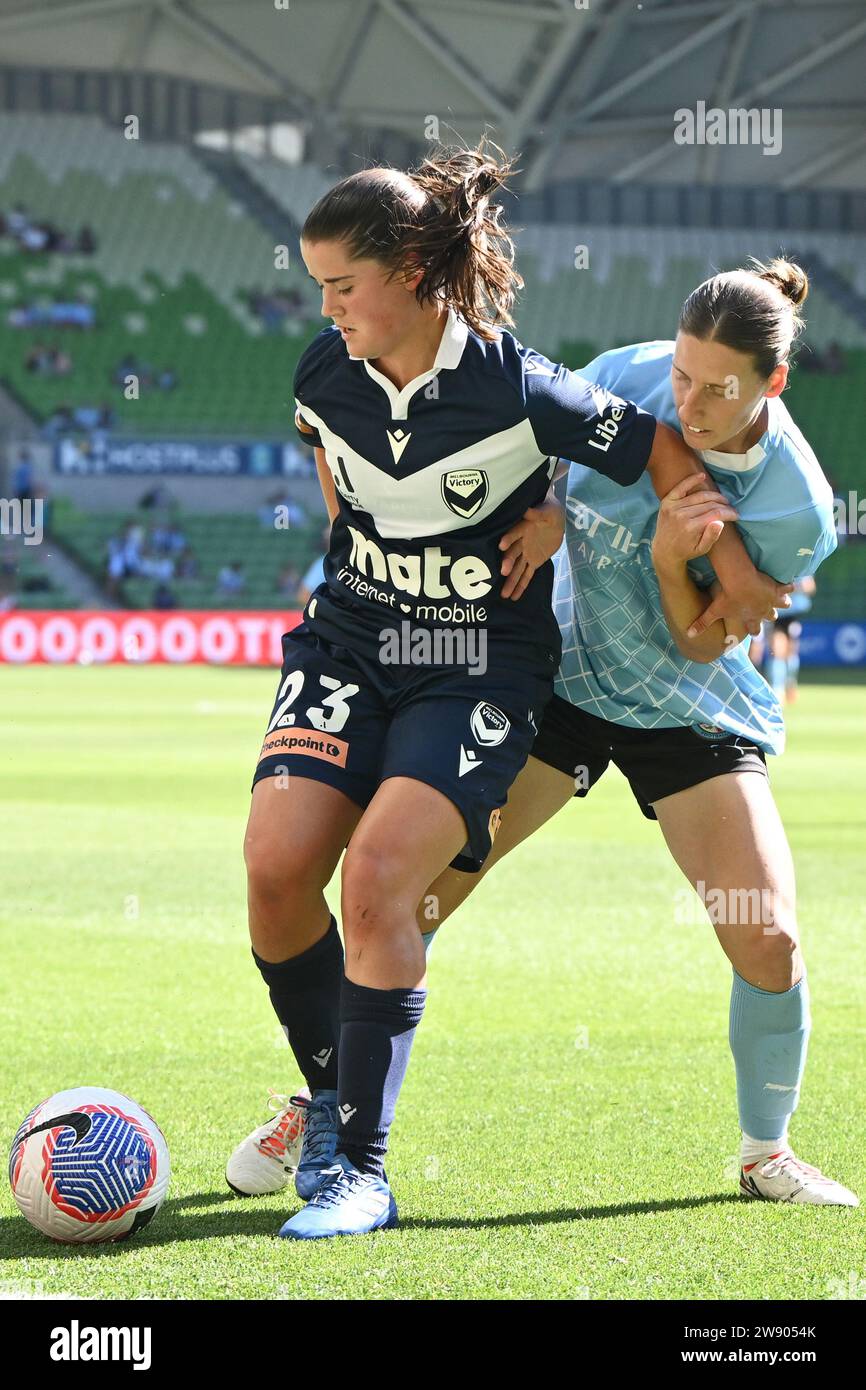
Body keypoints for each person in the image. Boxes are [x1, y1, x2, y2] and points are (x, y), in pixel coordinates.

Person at [228, 142, 791, 1240]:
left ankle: (359, 1172)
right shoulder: (319, 374)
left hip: (478, 657)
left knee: (382, 878)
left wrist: (724, 567)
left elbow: (663, 453)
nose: (328, 307)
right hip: (350, 641)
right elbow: (331, 474)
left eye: (343, 285)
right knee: (272, 872)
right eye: (319, 290)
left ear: (409, 276)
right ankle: (334, 1111)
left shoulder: (513, 382)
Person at [416, 259, 857, 1207]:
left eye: (717, 388)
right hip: (558, 677)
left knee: (767, 940)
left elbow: (705, 646)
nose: (688, 402)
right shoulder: (630, 373)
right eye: (684, 375)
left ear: (771, 385)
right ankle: (321, 1107)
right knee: (414, 896)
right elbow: (550, 463)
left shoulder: (793, 506)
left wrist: (669, 563)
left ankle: (763, 1154)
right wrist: (540, 514)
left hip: (685, 706)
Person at [766, 575, 816, 702]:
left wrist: (792, 588)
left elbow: (810, 586)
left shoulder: (804, 566)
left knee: (791, 651)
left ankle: (790, 684)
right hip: (777, 612)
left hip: (794, 612)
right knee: (777, 651)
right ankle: (777, 689)